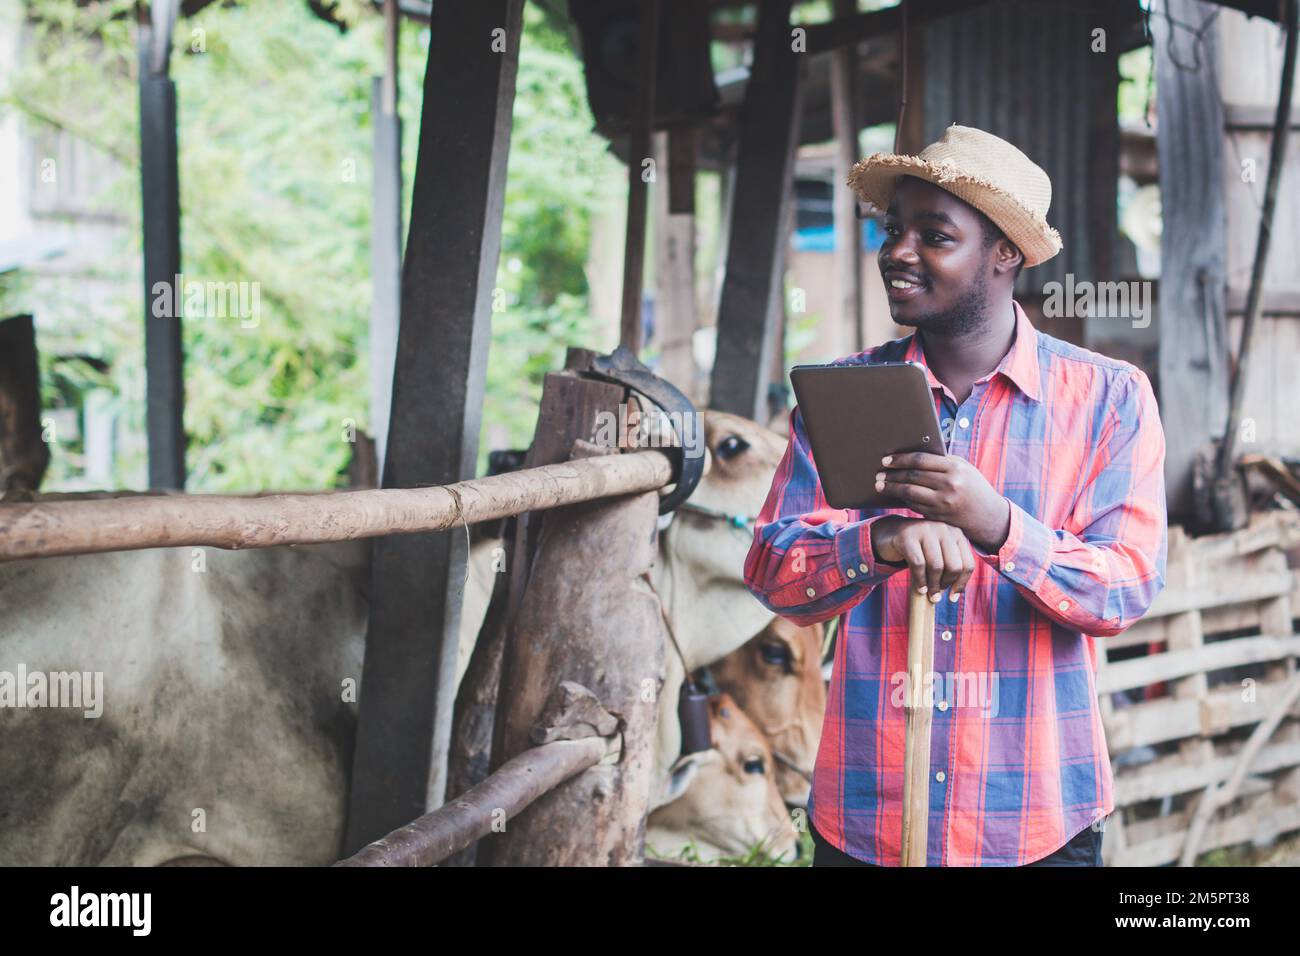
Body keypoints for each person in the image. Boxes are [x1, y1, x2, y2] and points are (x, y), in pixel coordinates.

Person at [744, 125, 1168, 867]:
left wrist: (999, 525)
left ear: (1005, 253)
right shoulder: (840, 397)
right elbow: (773, 571)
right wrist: (877, 544)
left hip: (1036, 821)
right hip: (865, 819)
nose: (898, 251)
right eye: (894, 228)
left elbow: (1124, 591)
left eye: (934, 235)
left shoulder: (1108, 399)